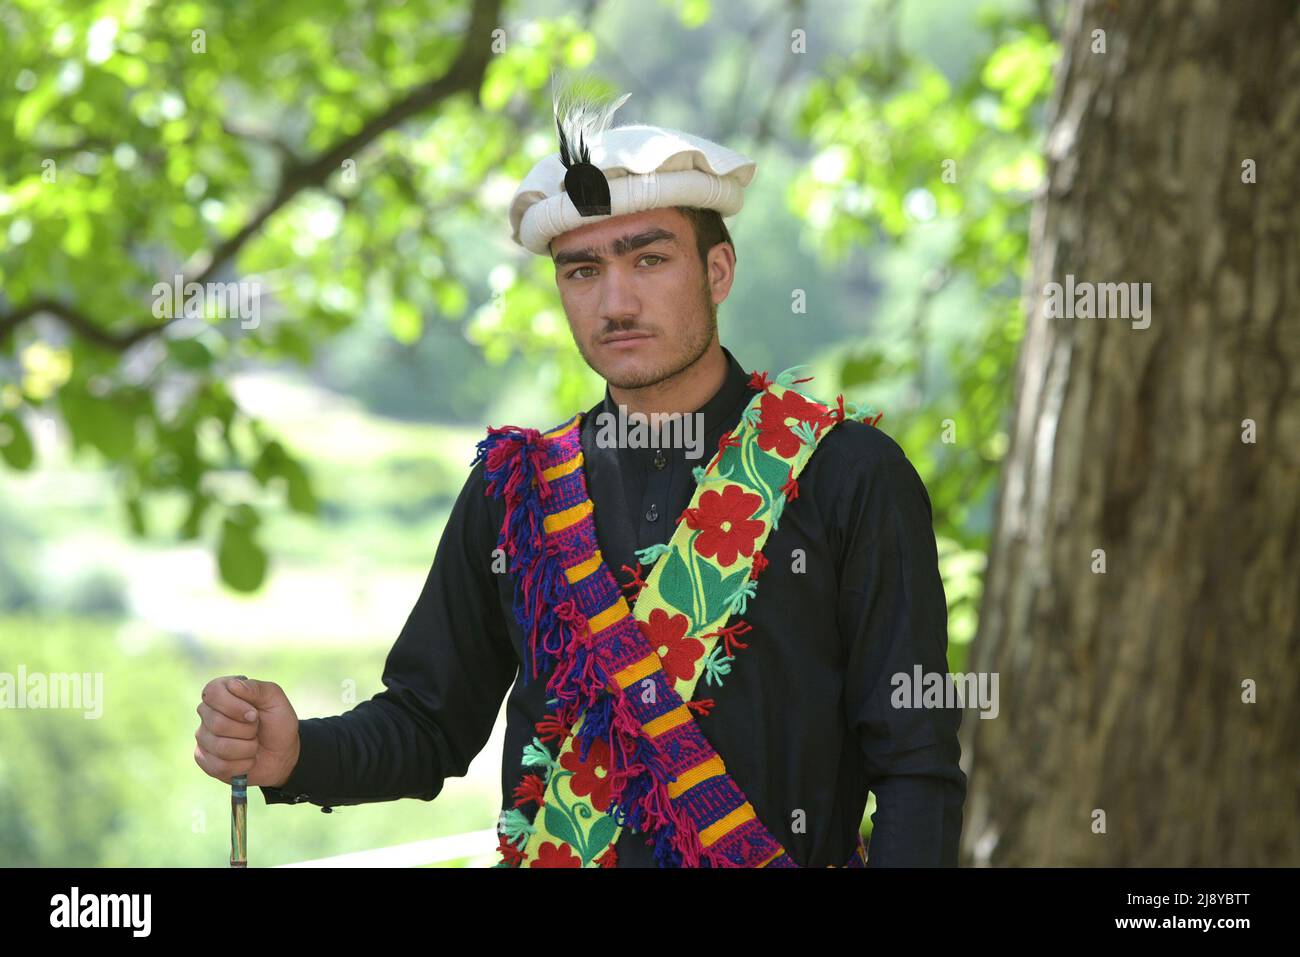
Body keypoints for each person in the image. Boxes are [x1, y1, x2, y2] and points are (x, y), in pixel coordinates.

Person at [193, 86, 966, 867]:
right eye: (583, 271)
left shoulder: (849, 475)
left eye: (651, 258)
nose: (616, 300)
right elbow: (429, 725)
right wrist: (294, 754)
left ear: (719, 270)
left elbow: (915, 768)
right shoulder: (515, 490)